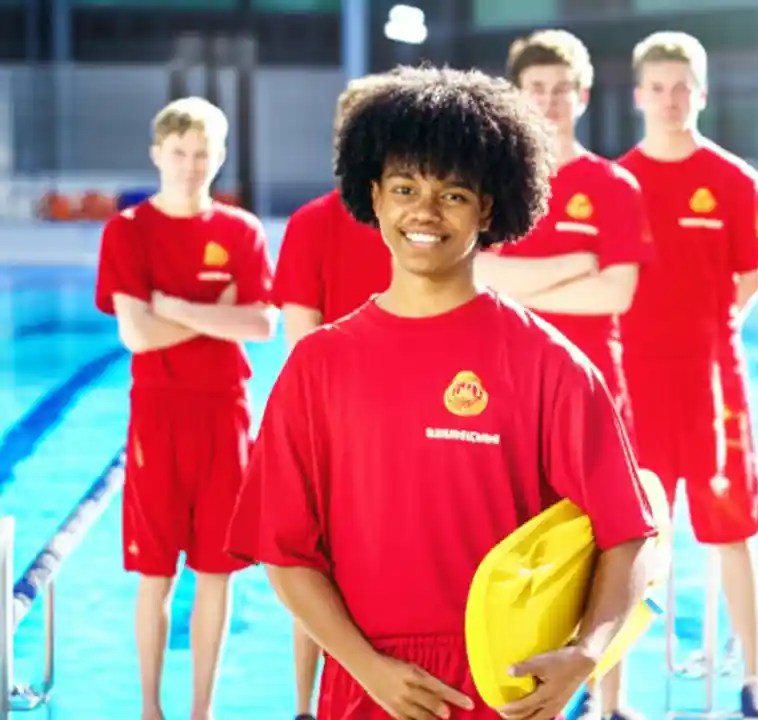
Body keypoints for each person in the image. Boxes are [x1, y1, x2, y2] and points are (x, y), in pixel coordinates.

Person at [225, 65, 657, 720]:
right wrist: (368, 668)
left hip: (503, 687)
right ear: (374, 198)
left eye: (453, 194)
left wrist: (586, 652)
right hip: (368, 685)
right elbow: (285, 552)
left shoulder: (548, 364)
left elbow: (627, 530)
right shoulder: (320, 365)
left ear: (487, 208)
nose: (424, 211)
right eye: (405, 187)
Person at [94, 96, 276, 720]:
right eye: (179, 153)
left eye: (203, 154)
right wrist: (213, 314)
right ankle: (151, 708)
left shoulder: (241, 231)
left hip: (225, 416)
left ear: (220, 156)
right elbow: (136, 337)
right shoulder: (128, 230)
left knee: (217, 573)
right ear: (157, 155)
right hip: (158, 414)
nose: (192, 165)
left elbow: (260, 325)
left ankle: (202, 711)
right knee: (156, 575)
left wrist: (172, 306)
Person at [617, 30, 758, 718]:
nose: (672, 99)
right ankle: (608, 690)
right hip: (635, 384)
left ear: (702, 94)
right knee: (628, 537)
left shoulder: (734, 180)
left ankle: (755, 680)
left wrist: (703, 333)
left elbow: (751, 277)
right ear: (638, 96)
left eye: (684, 87)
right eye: (659, 87)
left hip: (713, 385)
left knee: (732, 530)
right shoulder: (618, 181)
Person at [269, 72, 398, 720]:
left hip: (408, 429)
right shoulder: (312, 224)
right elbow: (302, 344)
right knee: (315, 575)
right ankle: (305, 706)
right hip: (333, 431)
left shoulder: (411, 222)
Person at [478, 29, 652, 447]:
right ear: (517, 95)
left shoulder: (614, 185)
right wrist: (577, 264)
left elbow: (614, 295)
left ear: (583, 97)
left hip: (591, 383)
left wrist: (512, 292)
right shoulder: (492, 183)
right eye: (537, 88)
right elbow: (476, 273)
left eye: (562, 89)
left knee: (599, 512)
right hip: (509, 381)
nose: (550, 102)